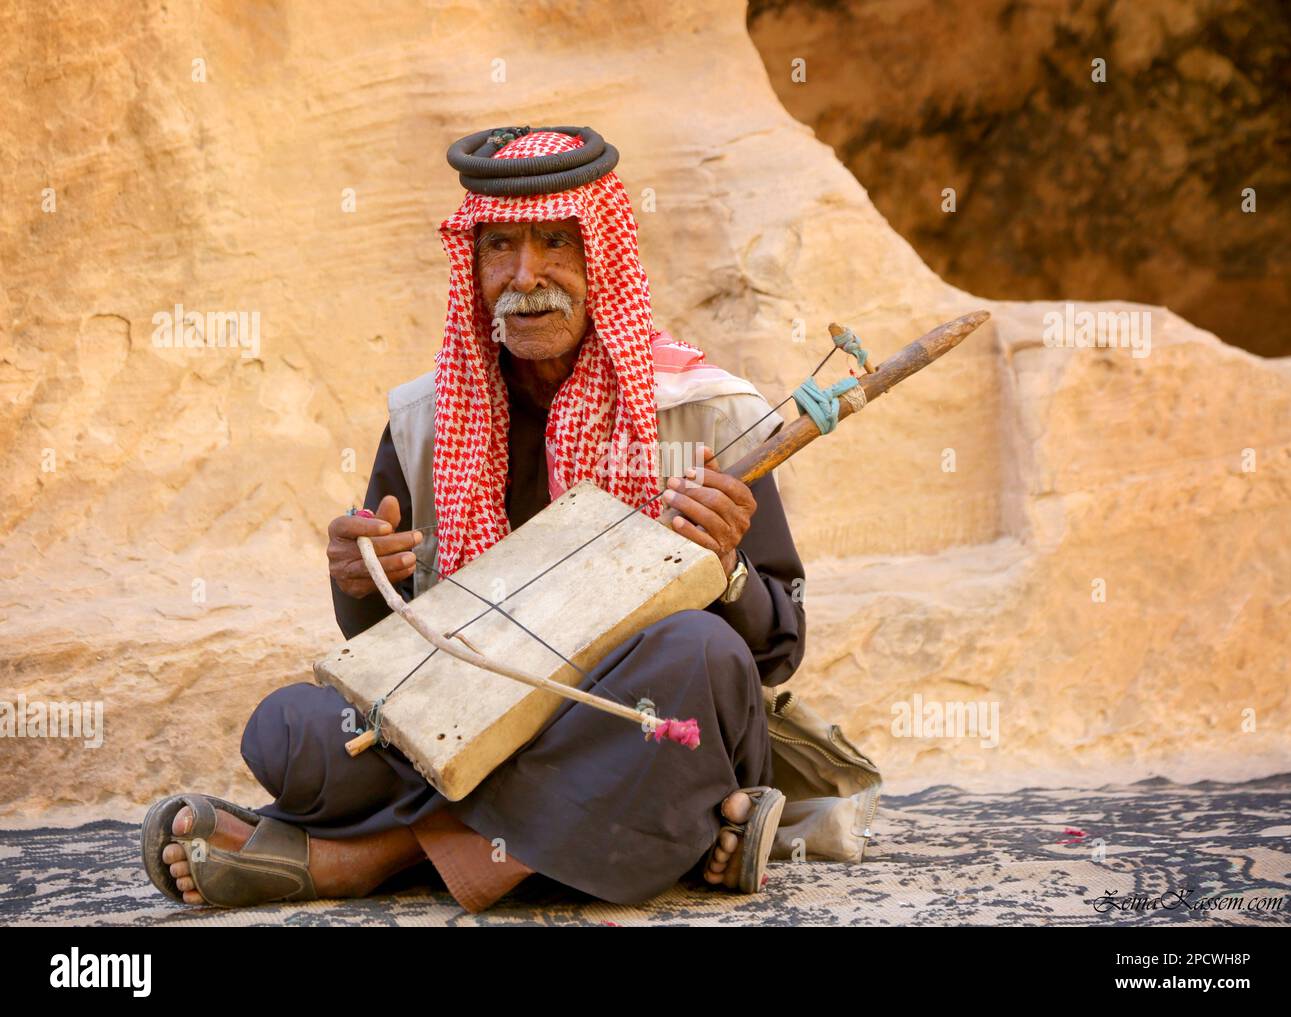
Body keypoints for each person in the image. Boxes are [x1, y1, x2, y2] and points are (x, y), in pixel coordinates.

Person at [142, 126, 807, 913]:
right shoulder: (425, 421)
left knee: (697, 654)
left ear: (603, 258)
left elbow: (776, 650)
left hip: (636, 709)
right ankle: (680, 828)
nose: (527, 277)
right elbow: (388, 654)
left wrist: (727, 567)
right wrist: (364, 581)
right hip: (472, 716)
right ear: (473, 262)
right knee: (289, 731)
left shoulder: (704, 412)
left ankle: (366, 858)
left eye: (557, 242)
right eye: (501, 248)